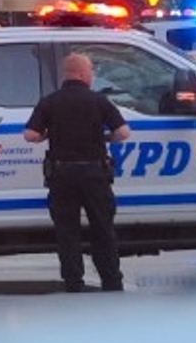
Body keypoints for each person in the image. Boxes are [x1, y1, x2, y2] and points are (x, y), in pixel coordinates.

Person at [23, 51, 132, 292]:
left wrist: (48, 134)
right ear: (82, 73)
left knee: (67, 231)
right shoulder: (99, 101)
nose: (93, 75)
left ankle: (73, 281)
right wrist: (106, 136)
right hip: (94, 174)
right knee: (102, 228)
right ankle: (111, 280)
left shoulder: (50, 101)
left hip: (62, 176)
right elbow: (124, 133)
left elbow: (30, 134)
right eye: (91, 71)